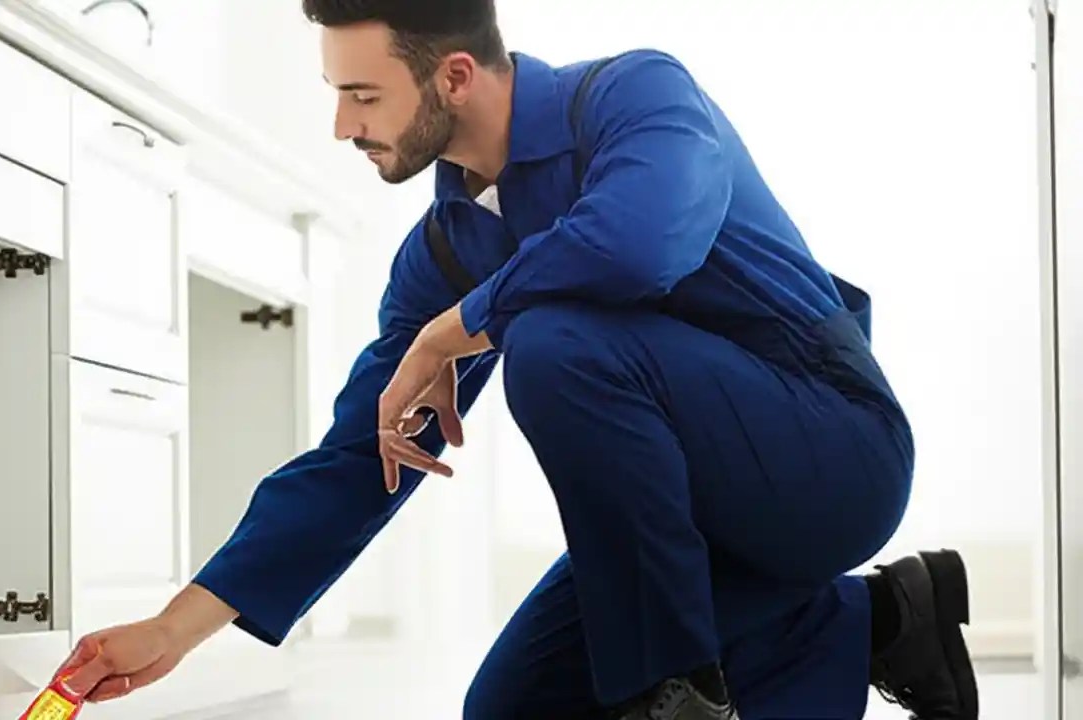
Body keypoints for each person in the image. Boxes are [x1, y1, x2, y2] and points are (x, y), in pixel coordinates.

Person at [53, 2, 981, 718]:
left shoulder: (635, 97)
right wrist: (176, 628)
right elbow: (360, 456)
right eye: (336, 94)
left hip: (831, 458)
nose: (342, 125)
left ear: (454, 75)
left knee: (553, 340)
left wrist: (456, 327)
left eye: (363, 94)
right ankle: (885, 625)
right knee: (512, 707)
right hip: (693, 527)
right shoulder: (447, 248)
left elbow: (639, 243)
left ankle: (674, 693)